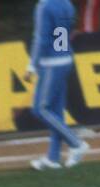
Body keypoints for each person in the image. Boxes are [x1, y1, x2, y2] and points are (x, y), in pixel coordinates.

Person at [27, 0, 90, 171]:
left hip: (52, 63)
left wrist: (32, 65)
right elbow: (61, 36)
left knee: (40, 109)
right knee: (56, 112)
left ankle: (76, 143)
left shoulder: (44, 5)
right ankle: (52, 158)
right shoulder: (66, 4)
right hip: (64, 59)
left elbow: (41, 38)